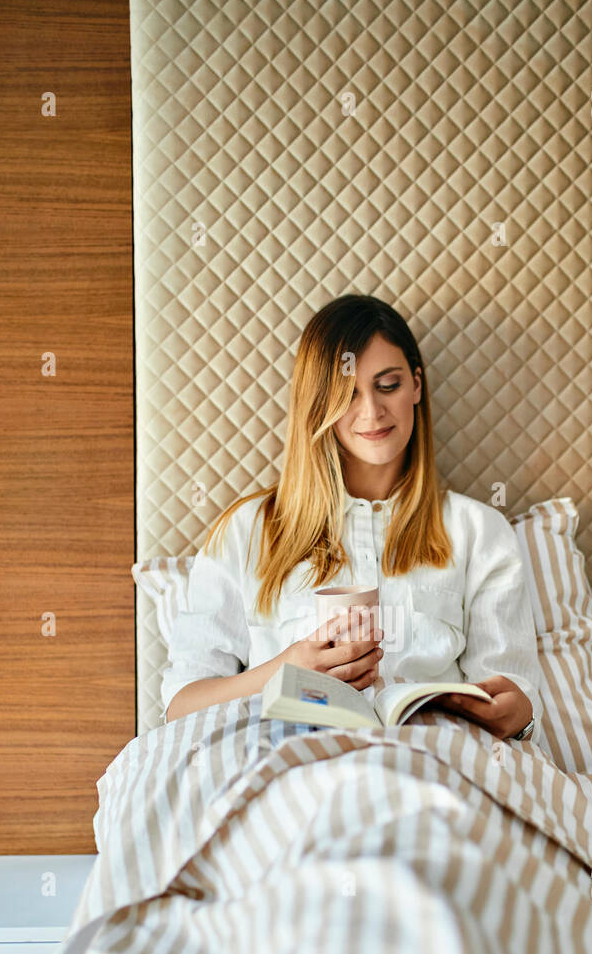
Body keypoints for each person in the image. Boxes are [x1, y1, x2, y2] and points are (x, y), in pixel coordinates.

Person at [163, 294, 542, 744]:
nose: (371, 412)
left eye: (388, 385)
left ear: (416, 386)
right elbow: (180, 707)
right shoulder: (248, 532)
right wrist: (285, 671)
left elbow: (513, 699)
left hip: (433, 762)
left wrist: (519, 713)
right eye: (347, 394)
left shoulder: (479, 533)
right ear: (319, 403)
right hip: (293, 767)